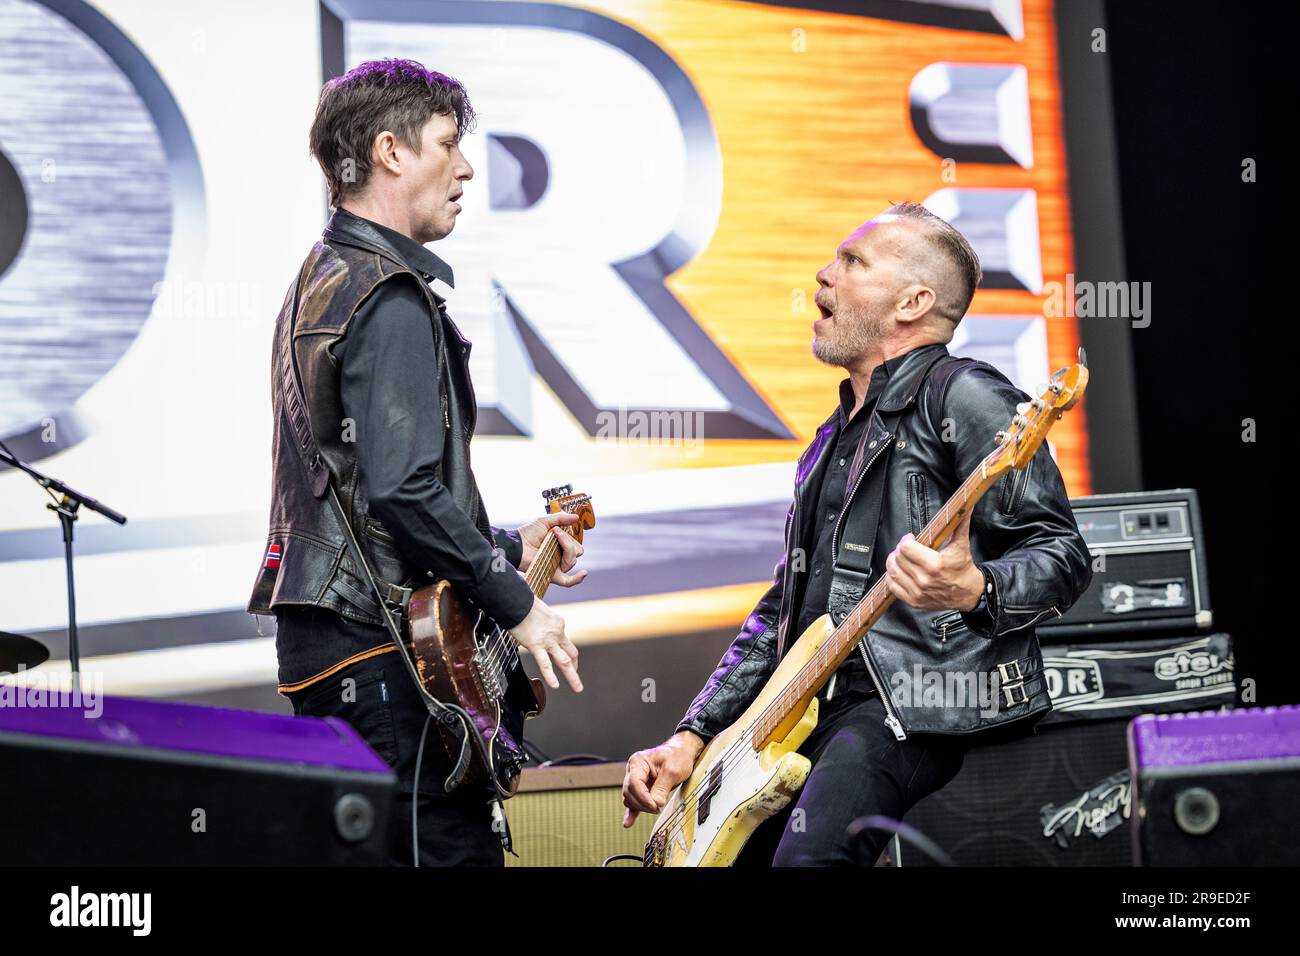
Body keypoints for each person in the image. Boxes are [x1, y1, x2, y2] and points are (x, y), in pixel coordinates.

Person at [621, 203, 1092, 865]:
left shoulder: (965, 395)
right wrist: (694, 735)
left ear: (913, 301)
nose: (823, 275)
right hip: (800, 712)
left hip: (902, 702)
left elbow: (1064, 555)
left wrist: (976, 587)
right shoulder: (828, 439)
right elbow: (780, 613)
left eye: (851, 262)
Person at [248, 58, 586, 866]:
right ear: (392, 152)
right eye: (448, 143)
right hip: (382, 654)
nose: (467, 167)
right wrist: (517, 601)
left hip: (337, 647)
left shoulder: (319, 279)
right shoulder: (388, 292)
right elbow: (403, 488)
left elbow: (368, 492)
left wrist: (506, 544)